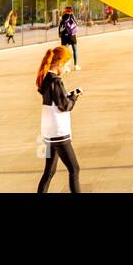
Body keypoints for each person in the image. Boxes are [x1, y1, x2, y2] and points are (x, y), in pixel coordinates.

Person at [36, 45, 82, 192]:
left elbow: (56, 99)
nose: (68, 68)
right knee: (74, 169)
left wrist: (68, 94)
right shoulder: (56, 81)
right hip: (59, 133)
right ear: (59, 63)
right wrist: (75, 97)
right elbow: (65, 106)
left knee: (49, 172)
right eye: (67, 64)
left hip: (48, 133)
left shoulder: (47, 79)